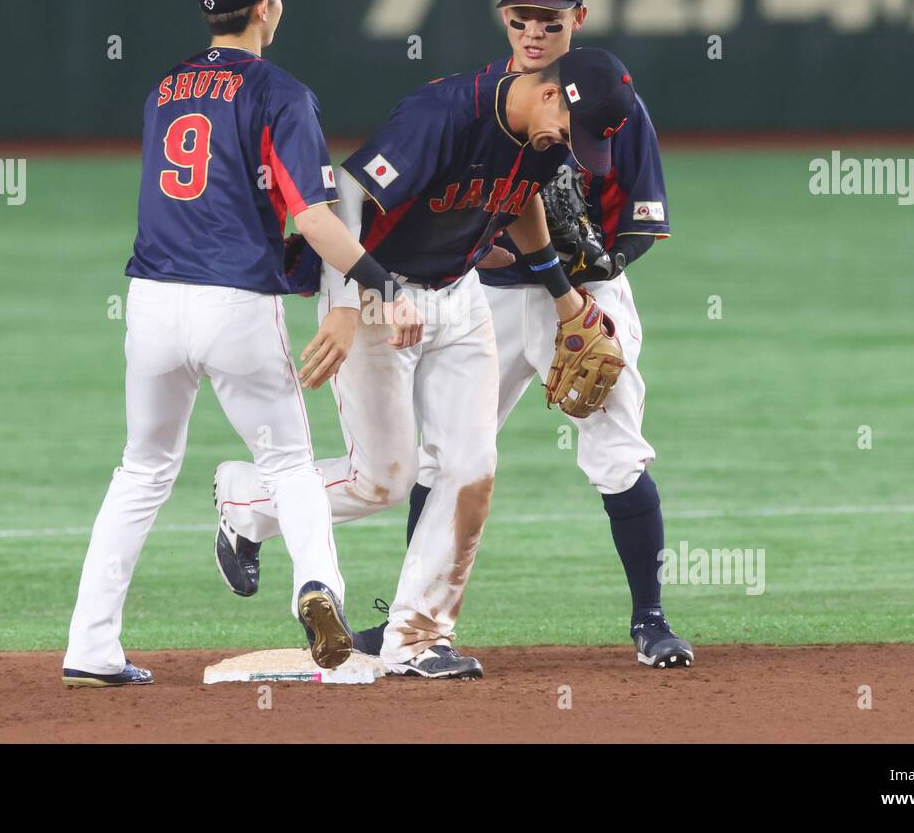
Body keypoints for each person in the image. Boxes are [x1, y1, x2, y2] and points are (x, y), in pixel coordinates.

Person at [214, 44, 640, 679]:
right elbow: (346, 197)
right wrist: (350, 301)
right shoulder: (441, 114)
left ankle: (418, 636)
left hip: (461, 299)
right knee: (382, 480)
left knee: (471, 467)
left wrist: (564, 297)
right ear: (551, 94)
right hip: (380, 297)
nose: (570, 149)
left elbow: (520, 197)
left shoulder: (543, 134)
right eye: (573, 134)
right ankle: (247, 498)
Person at [61, 0, 421, 688]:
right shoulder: (280, 93)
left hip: (153, 304)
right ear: (264, 7)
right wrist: (383, 283)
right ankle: (318, 589)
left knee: (141, 469)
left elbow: (210, 201)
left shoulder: (164, 90)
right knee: (289, 462)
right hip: (234, 309)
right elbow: (318, 223)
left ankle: (90, 649)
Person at [358, 0, 694, 669]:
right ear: (505, 20)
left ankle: (651, 620)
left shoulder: (612, 100)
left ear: (579, 18)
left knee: (617, 456)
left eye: (550, 18)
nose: (534, 31)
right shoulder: (479, 101)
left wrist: (594, 276)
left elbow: (639, 218)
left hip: (582, 301)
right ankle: (407, 623)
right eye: (521, 18)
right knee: (444, 461)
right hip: (483, 301)